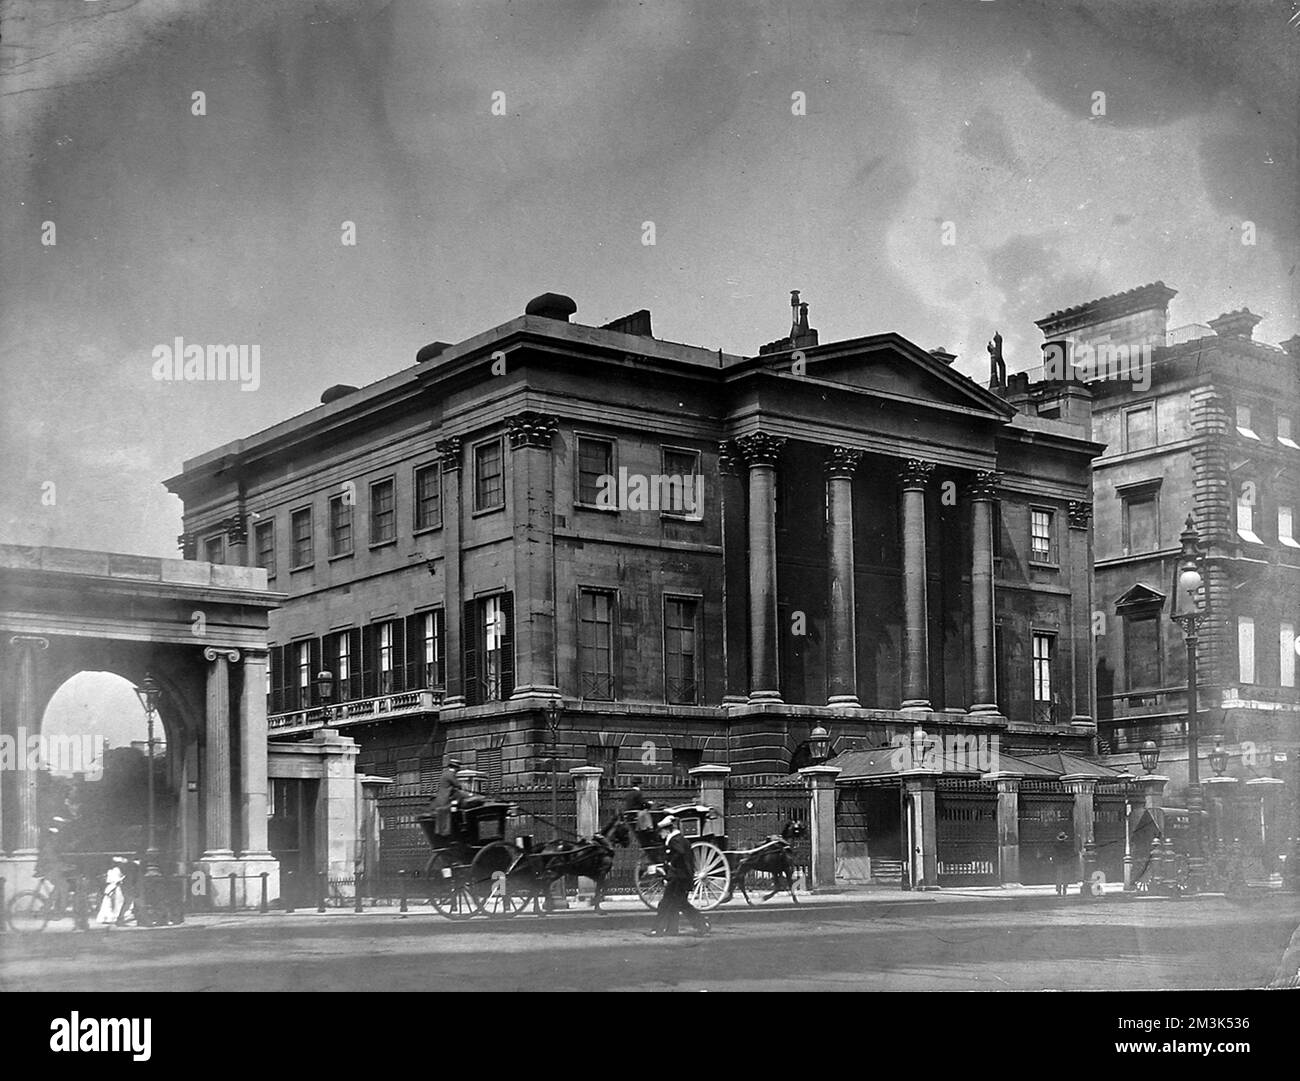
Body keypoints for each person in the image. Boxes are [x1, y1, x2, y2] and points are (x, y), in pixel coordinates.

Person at [648, 815, 709, 938]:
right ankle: (675, 929)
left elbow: (679, 853)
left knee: (665, 904)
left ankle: (657, 930)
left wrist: (670, 863)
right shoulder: (682, 839)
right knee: (677, 904)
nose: (660, 835)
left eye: (661, 832)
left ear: (667, 830)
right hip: (683, 877)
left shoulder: (674, 841)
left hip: (677, 877)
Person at [97, 858, 126, 927]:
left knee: (109, 903)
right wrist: (123, 878)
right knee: (115, 903)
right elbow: (116, 880)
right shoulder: (116, 870)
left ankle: (108, 918)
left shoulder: (110, 871)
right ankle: (111, 917)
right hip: (115, 887)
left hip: (111, 887)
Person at [1053, 831, 1074, 896]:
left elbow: (1054, 854)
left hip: (1059, 863)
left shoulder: (1056, 845)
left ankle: (1059, 890)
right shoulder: (1067, 845)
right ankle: (1064, 889)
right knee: (1065, 876)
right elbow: (1070, 853)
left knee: (1059, 876)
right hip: (1066, 862)